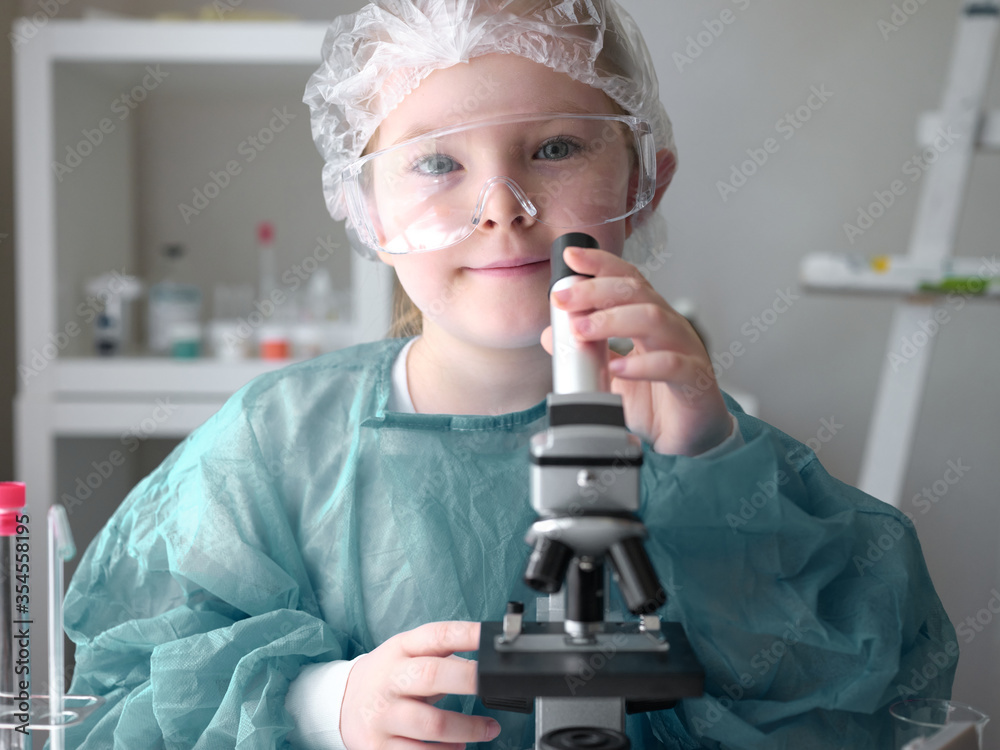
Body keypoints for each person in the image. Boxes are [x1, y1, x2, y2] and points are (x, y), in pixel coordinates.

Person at [62, 0, 957, 748]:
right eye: (438, 162)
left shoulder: (706, 436)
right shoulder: (276, 444)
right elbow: (132, 690)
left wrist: (712, 463)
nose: (503, 210)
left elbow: (858, 690)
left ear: (648, 179)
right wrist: (324, 703)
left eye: (556, 149)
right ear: (365, 208)